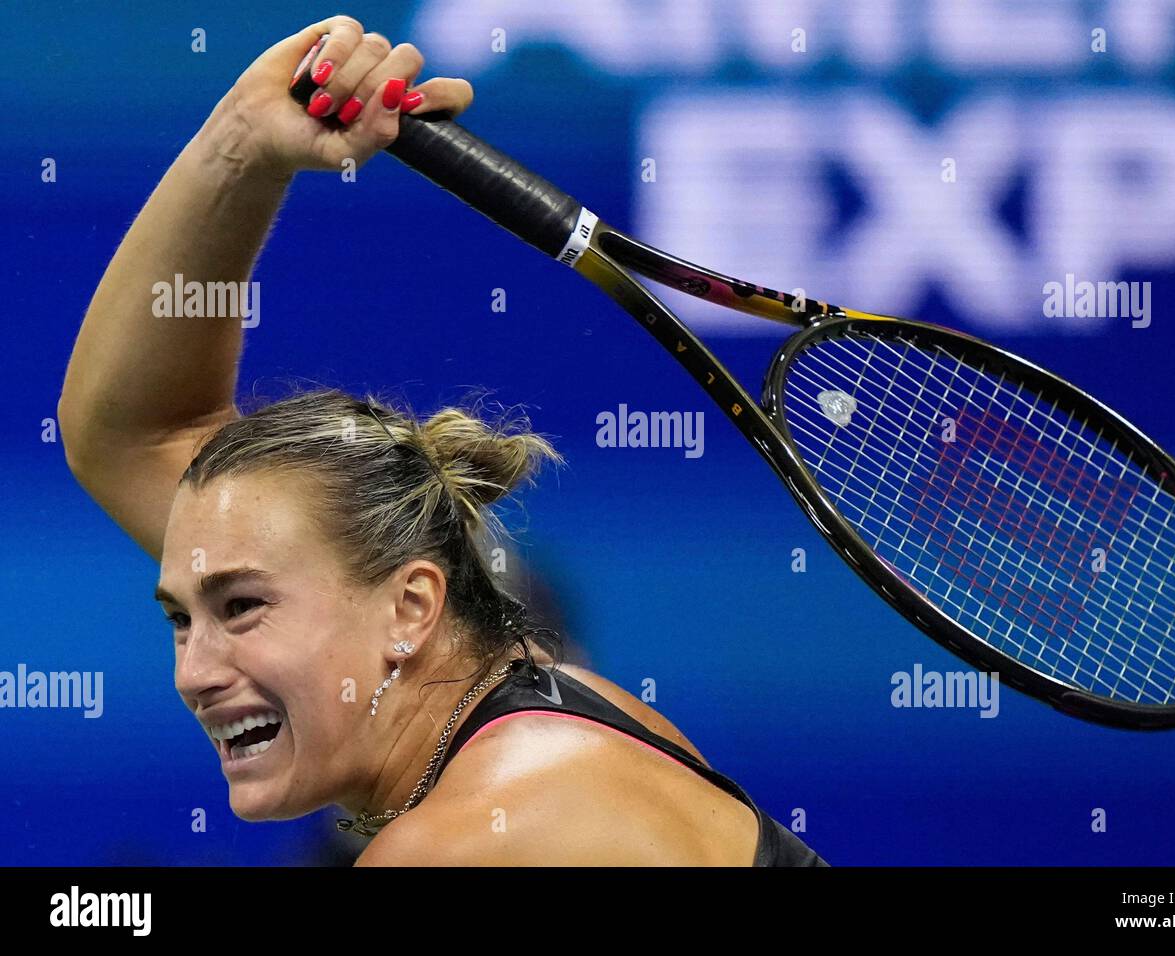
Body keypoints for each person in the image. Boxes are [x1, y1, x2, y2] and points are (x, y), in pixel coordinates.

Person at [57, 14, 828, 867]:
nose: (194, 673)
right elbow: (134, 434)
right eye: (181, 619)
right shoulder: (541, 711)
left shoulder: (465, 844)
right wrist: (242, 140)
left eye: (241, 608)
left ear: (412, 608)